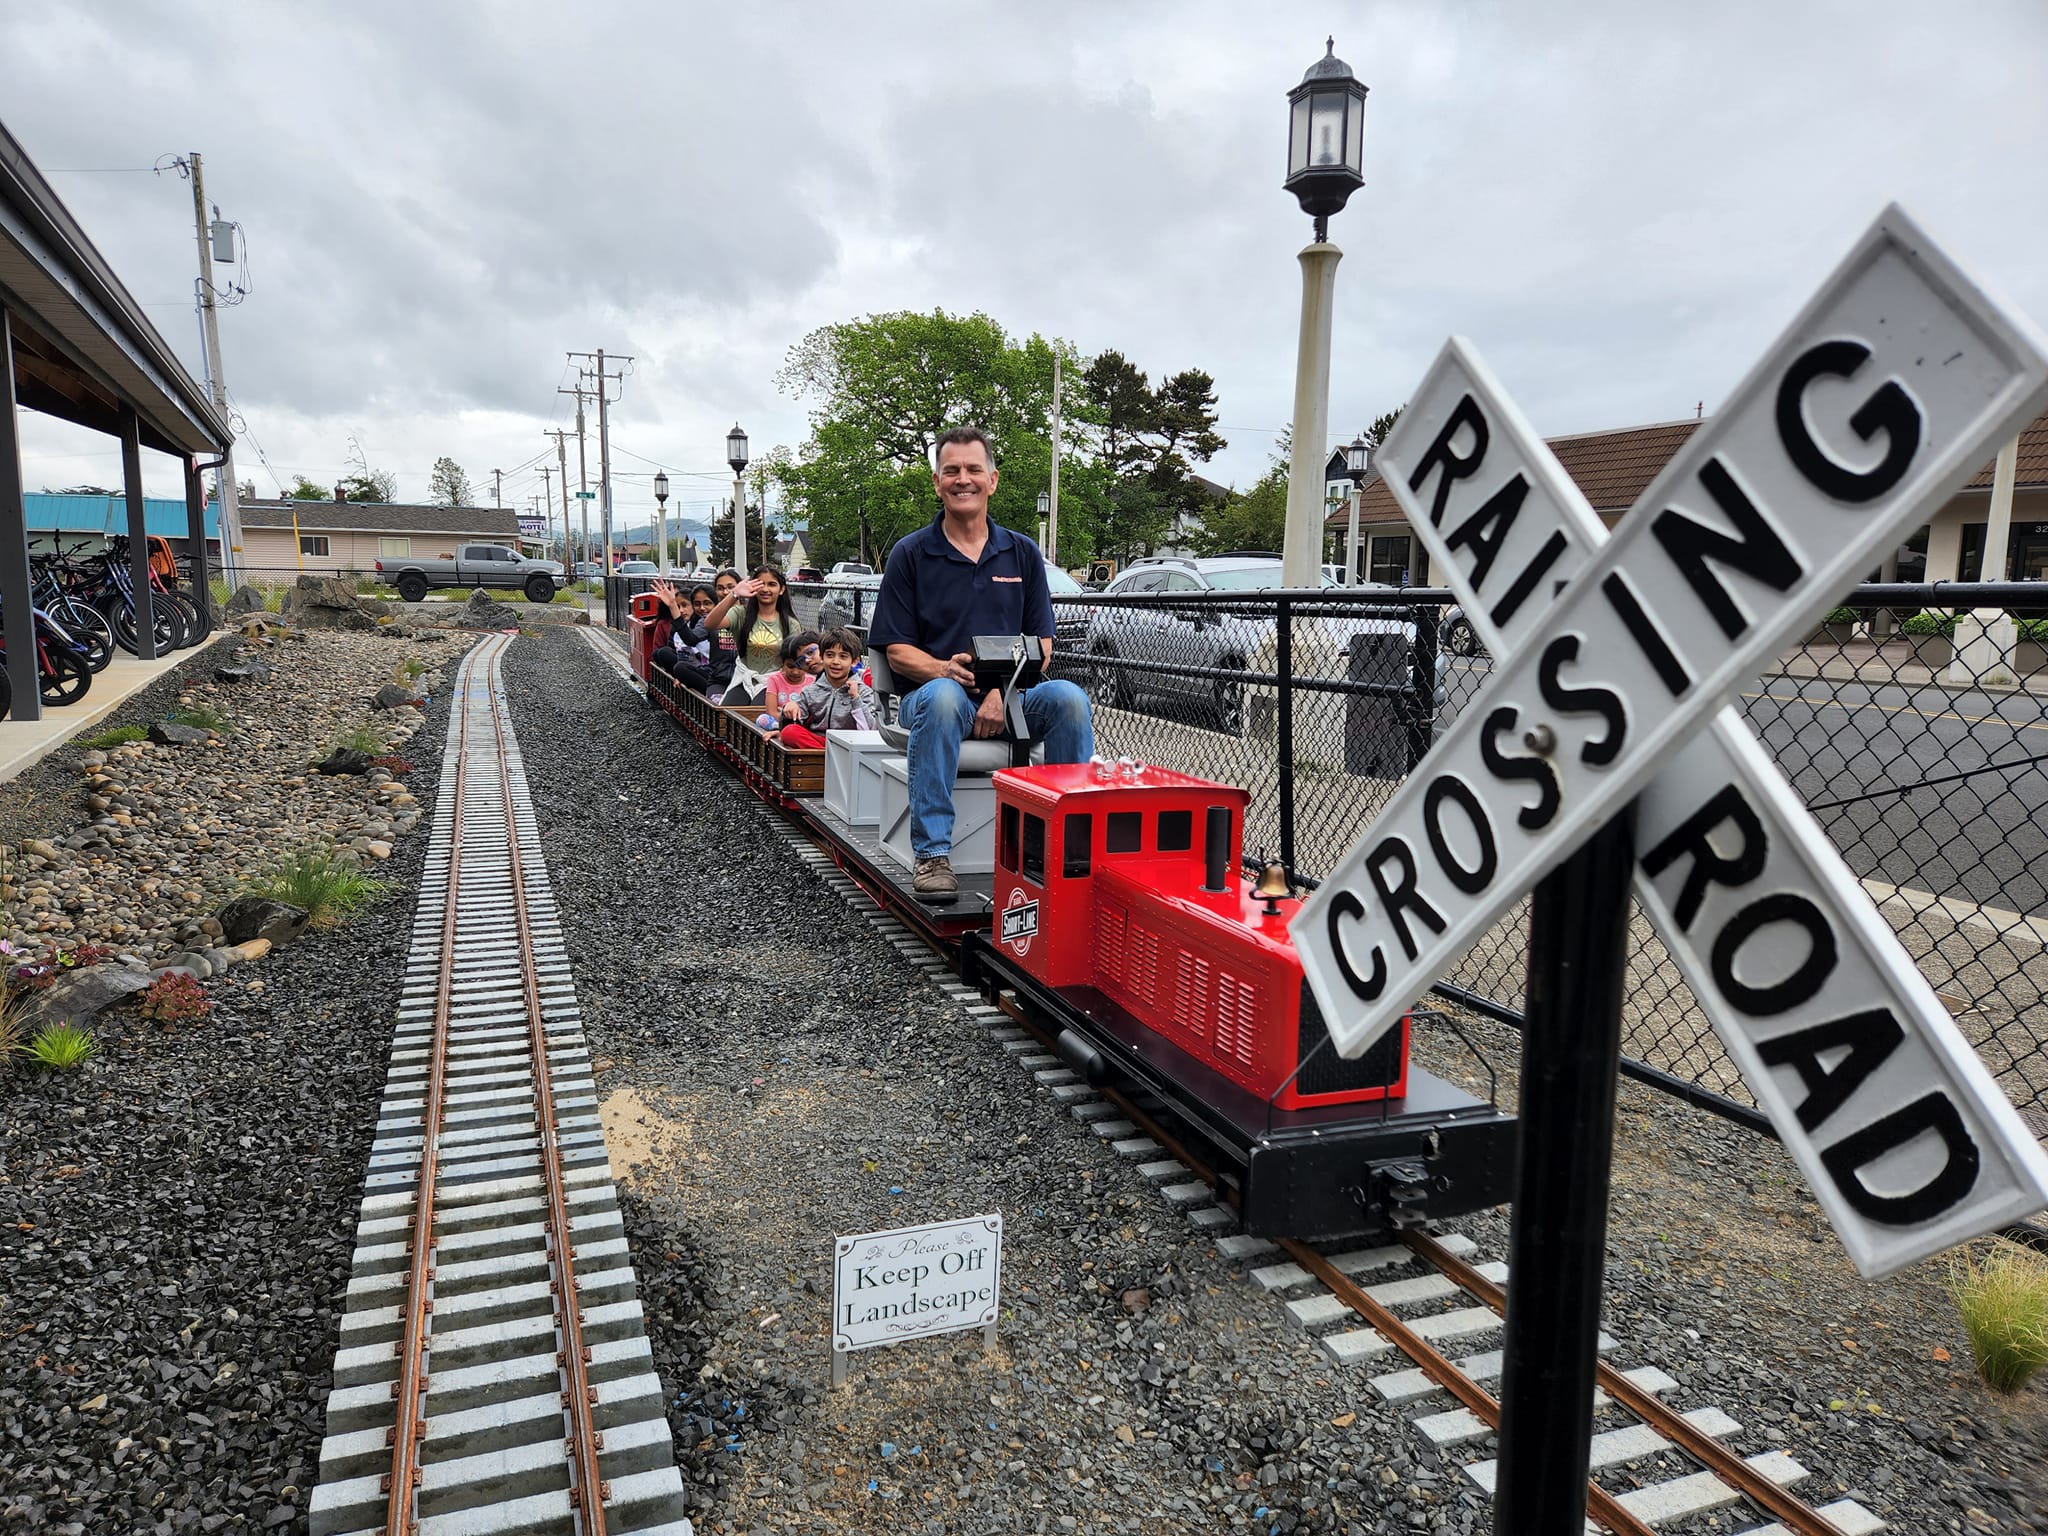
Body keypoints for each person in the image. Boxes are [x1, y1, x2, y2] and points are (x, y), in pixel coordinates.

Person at [867, 425, 1093, 901]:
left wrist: (1001, 693)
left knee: (1069, 698)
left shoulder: (1022, 552)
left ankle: (1063, 846)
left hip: (1009, 697)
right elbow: (896, 653)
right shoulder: (911, 554)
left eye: (973, 469)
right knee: (947, 698)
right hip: (930, 701)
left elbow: (1042, 645)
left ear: (992, 479)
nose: (962, 479)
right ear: (936, 481)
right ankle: (932, 855)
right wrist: (944, 671)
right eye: (951, 470)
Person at [701, 563, 798, 696]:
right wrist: (734, 594)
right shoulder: (740, 613)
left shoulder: (791, 623)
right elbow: (710, 624)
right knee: (730, 712)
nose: (765, 589)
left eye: (771, 584)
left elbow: (796, 660)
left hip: (774, 682)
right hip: (744, 678)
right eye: (760, 584)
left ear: (781, 590)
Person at [780, 628, 878, 749]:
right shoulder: (810, 691)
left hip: (849, 745)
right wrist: (789, 709)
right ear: (822, 656)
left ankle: (833, 755)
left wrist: (855, 699)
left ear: (854, 661)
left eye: (843, 656)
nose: (836, 662)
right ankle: (828, 755)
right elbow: (795, 724)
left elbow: (870, 730)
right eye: (830, 655)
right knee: (789, 732)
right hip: (819, 742)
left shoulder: (863, 691)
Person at [647, 578, 714, 693]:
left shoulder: (711, 623)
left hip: (711, 671)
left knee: (681, 667)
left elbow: (691, 640)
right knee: (664, 654)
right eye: (678, 607)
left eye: (684, 605)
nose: (681, 611)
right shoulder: (675, 625)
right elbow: (671, 649)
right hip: (692, 667)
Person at [764, 630, 822, 716]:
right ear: (782, 664)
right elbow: (771, 712)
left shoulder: (813, 682)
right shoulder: (774, 679)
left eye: (799, 667)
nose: (795, 672)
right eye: (790, 666)